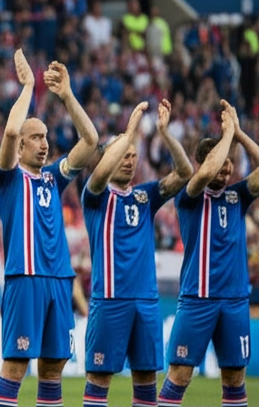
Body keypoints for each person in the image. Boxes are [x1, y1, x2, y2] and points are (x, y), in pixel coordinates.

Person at [0, 50, 99, 407]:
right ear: (21, 145)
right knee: (16, 365)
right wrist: (27, 88)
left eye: (46, 136)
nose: (44, 143)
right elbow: (10, 130)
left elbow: (90, 141)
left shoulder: (52, 178)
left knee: (53, 369)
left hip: (59, 279)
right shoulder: (7, 178)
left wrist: (67, 95)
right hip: (25, 278)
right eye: (36, 137)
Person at [80, 99, 193, 406]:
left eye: (132, 155)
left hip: (146, 301)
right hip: (110, 300)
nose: (129, 160)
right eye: (123, 155)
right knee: (99, 380)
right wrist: (129, 132)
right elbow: (99, 174)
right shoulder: (95, 196)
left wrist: (165, 134)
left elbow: (185, 173)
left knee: (146, 382)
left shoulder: (145, 196)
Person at [160, 100, 257, 407]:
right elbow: (206, 173)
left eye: (230, 162)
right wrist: (226, 137)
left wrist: (238, 134)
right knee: (179, 375)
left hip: (234, 300)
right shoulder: (189, 195)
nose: (227, 168)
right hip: (197, 299)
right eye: (222, 161)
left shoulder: (237, 196)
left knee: (235, 379)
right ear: (203, 162)